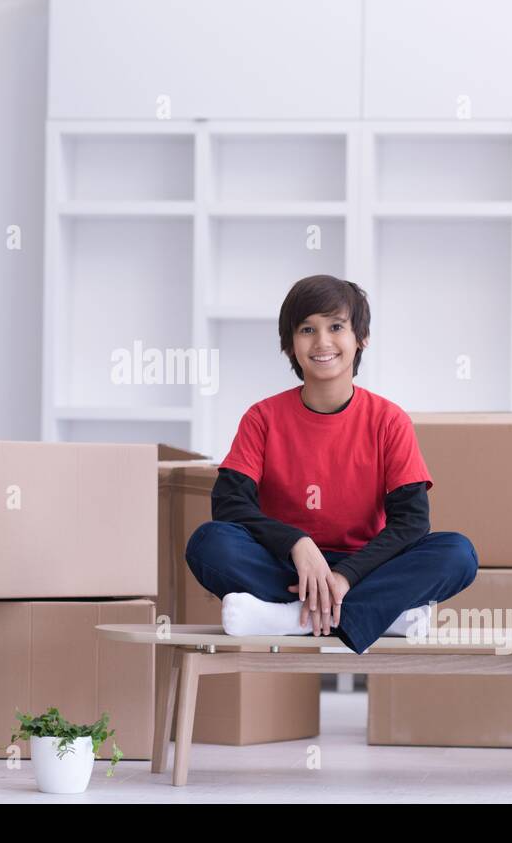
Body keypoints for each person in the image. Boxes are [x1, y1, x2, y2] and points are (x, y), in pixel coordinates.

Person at [184, 274, 479, 654]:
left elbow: (412, 522)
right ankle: (382, 616)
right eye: (307, 329)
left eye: (336, 327)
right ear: (290, 345)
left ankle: (288, 617)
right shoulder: (262, 417)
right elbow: (229, 506)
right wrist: (296, 542)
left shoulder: (389, 420)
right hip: (287, 566)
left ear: (361, 337)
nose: (322, 342)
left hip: (366, 567)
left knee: (459, 553)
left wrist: (343, 576)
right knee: (209, 542)